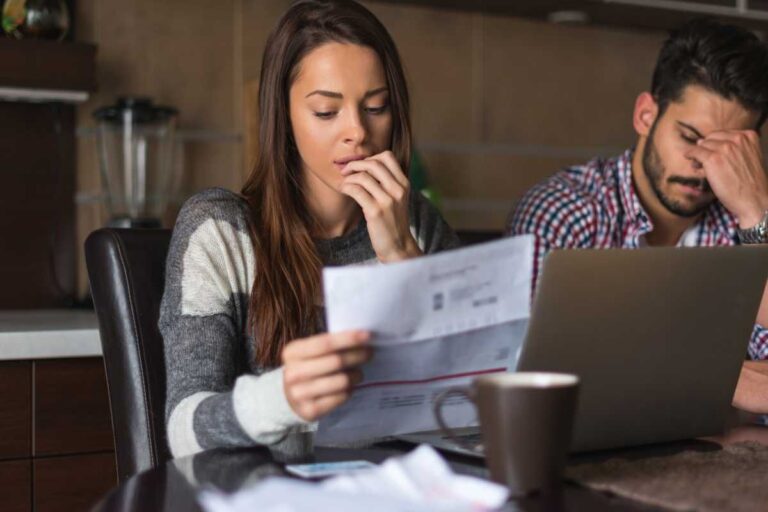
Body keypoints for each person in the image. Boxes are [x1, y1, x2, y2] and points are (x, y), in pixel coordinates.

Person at [159, 0, 459, 458]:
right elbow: (184, 431)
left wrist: (401, 254)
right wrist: (283, 398)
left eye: (376, 107)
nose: (357, 131)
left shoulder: (417, 222)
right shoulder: (220, 231)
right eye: (326, 112)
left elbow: (469, 401)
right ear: (284, 116)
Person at [507, 18, 768, 414]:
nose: (702, 165)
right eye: (690, 138)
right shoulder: (565, 212)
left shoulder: (750, 223)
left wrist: (756, 211)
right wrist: (723, 376)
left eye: (726, 151)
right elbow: (531, 381)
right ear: (646, 115)